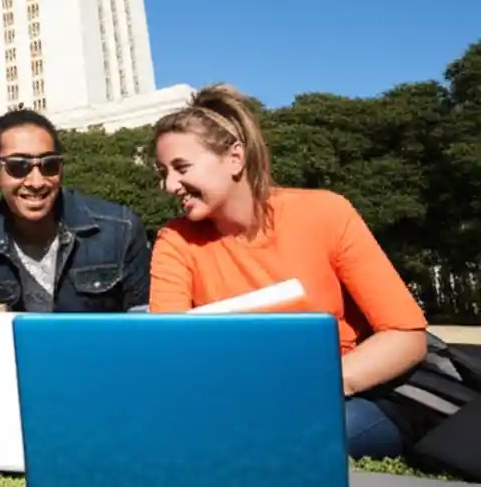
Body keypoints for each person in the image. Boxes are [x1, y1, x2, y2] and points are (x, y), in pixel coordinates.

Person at [148, 83, 429, 460]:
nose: (168, 185)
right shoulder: (175, 240)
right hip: (237, 398)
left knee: (280, 440)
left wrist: (314, 384)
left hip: (343, 394)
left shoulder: (325, 213)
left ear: (235, 158)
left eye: (181, 168)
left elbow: (405, 336)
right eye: (162, 172)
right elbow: (170, 349)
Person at [0, 109, 151, 314]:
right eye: (18, 167)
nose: (36, 182)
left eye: (49, 165)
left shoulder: (121, 230)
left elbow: (147, 331)